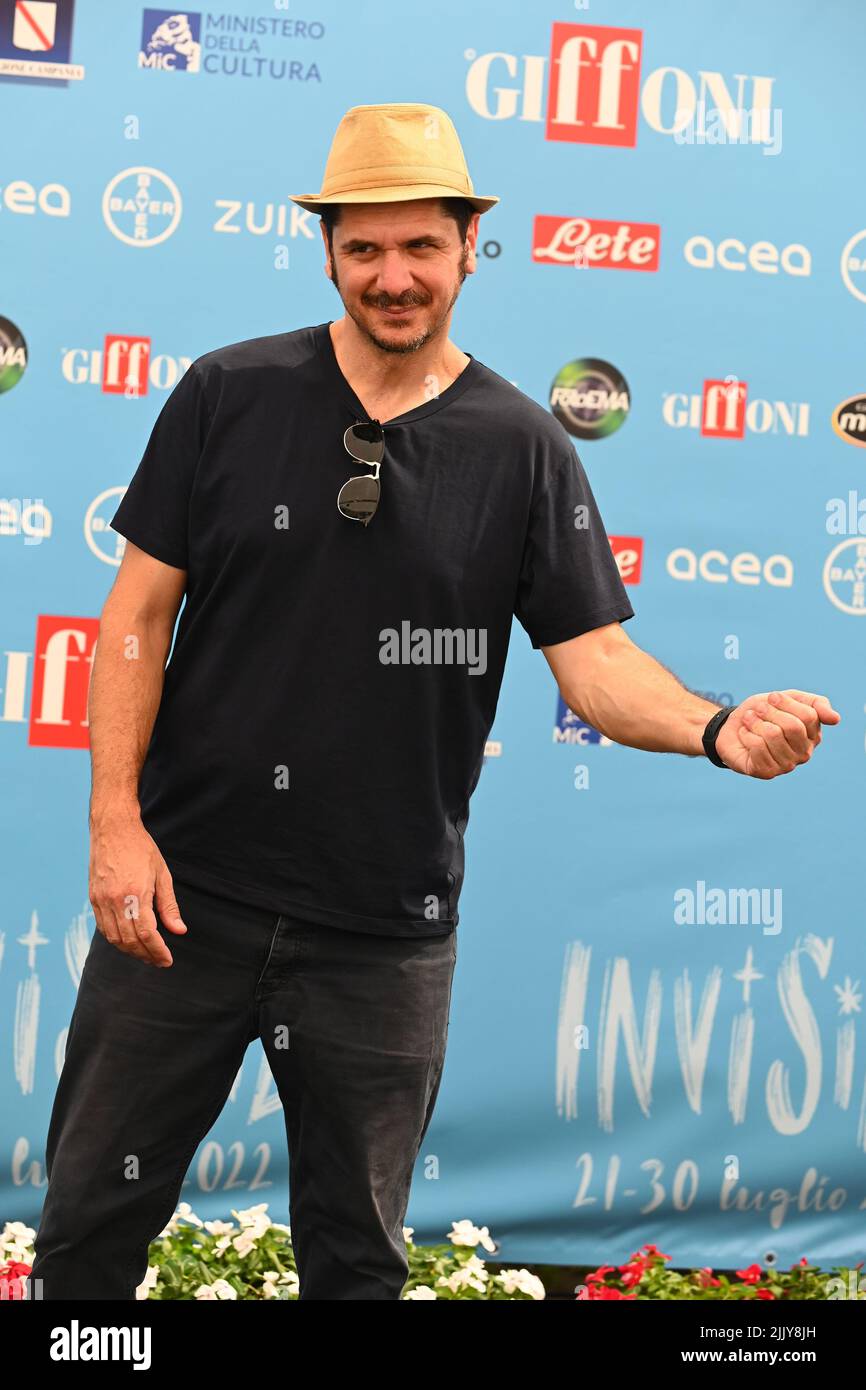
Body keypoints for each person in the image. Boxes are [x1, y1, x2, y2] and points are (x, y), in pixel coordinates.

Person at [26, 102, 839, 1303]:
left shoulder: (520, 446)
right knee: (90, 1227)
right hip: (181, 899)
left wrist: (712, 726)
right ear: (327, 252)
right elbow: (136, 614)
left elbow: (596, 667)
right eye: (363, 249)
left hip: (382, 931)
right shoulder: (225, 393)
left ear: (470, 247)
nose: (391, 277)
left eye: (419, 247)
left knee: (355, 1260)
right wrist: (113, 821)